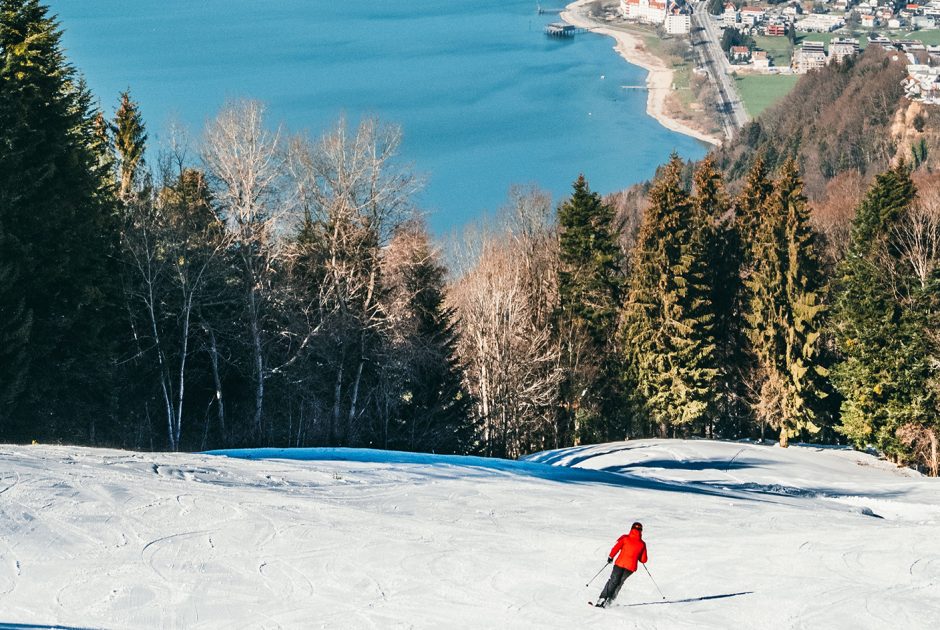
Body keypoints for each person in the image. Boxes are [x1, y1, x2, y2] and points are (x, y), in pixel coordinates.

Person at [595, 521, 648, 608]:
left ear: (631, 529)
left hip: (620, 564)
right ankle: (610, 601)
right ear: (641, 531)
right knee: (619, 583)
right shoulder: (642, 544)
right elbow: (643, 560)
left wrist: (611, 557)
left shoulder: (625, 538)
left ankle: (602, 599)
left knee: (613, 581)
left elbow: (616, 547)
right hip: (630, 568)